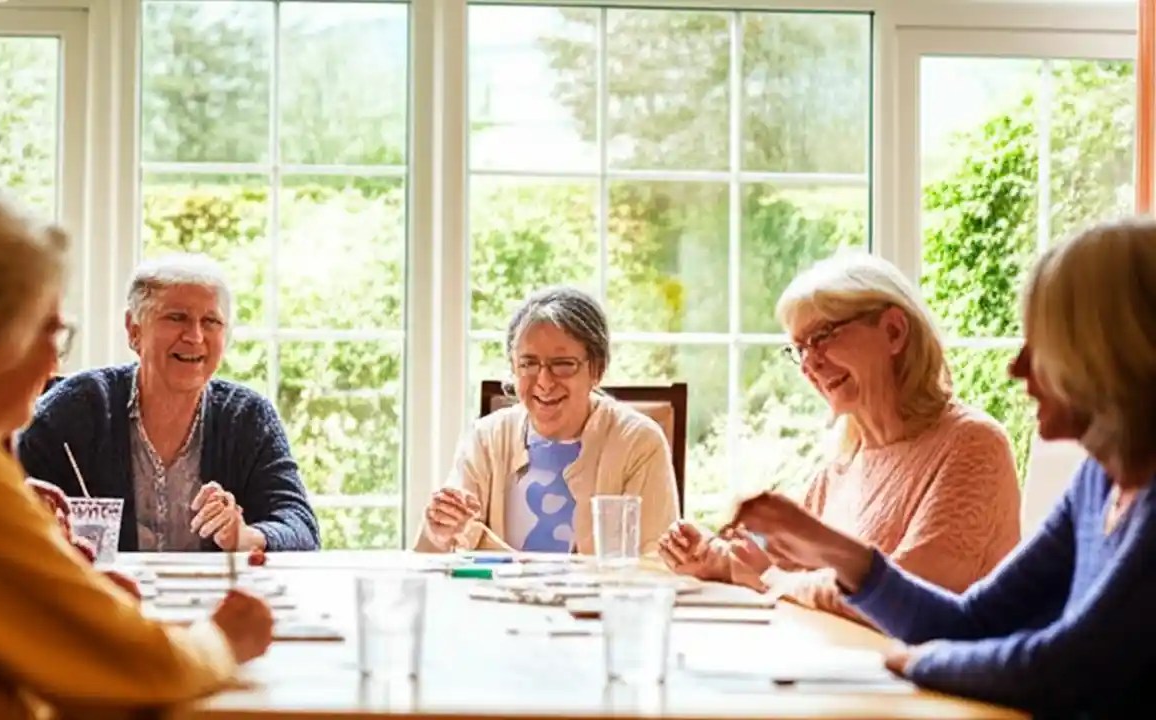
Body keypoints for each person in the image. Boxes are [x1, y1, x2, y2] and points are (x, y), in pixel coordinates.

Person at [731, 219, 1156, 714]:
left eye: (1045, 345)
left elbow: (1065, 668)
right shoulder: (1097, 481)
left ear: (1115, 353)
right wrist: (840, 555)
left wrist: (916, 663)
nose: (1015, 368)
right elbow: (971, 621)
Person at [0, 199, 273, 719]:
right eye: (49, 330)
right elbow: (146, 669)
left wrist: (72, 601)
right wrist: (225, 638)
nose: (54, 359)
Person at [659, 253, 1021, 621]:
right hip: (854, 666)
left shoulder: (973, 444)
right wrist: (715, 557)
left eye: (823, 336)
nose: (808, 364)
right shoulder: (841, 465)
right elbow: (791, 569)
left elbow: (905, 603)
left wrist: (771, 578)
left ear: (894, 331)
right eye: (799, 349)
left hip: (932, 677)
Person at [18, 253, 320, 552]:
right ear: (134, 330)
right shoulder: (69, 411)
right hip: (104, 596)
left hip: (215, 599)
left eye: (211, 321)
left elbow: (301, 528)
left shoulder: (249, 416)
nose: (195, 336)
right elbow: (7, 519)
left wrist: (245, 537)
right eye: (177, 318)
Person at [416, 286, 680, 554]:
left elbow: (655, 564)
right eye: (528, 363)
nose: (543, 382)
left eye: (563, 364)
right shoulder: (485, 439)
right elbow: (437, 554)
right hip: (495, 597)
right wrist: (441, 529)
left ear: (597, 370)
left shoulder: (639, 443)